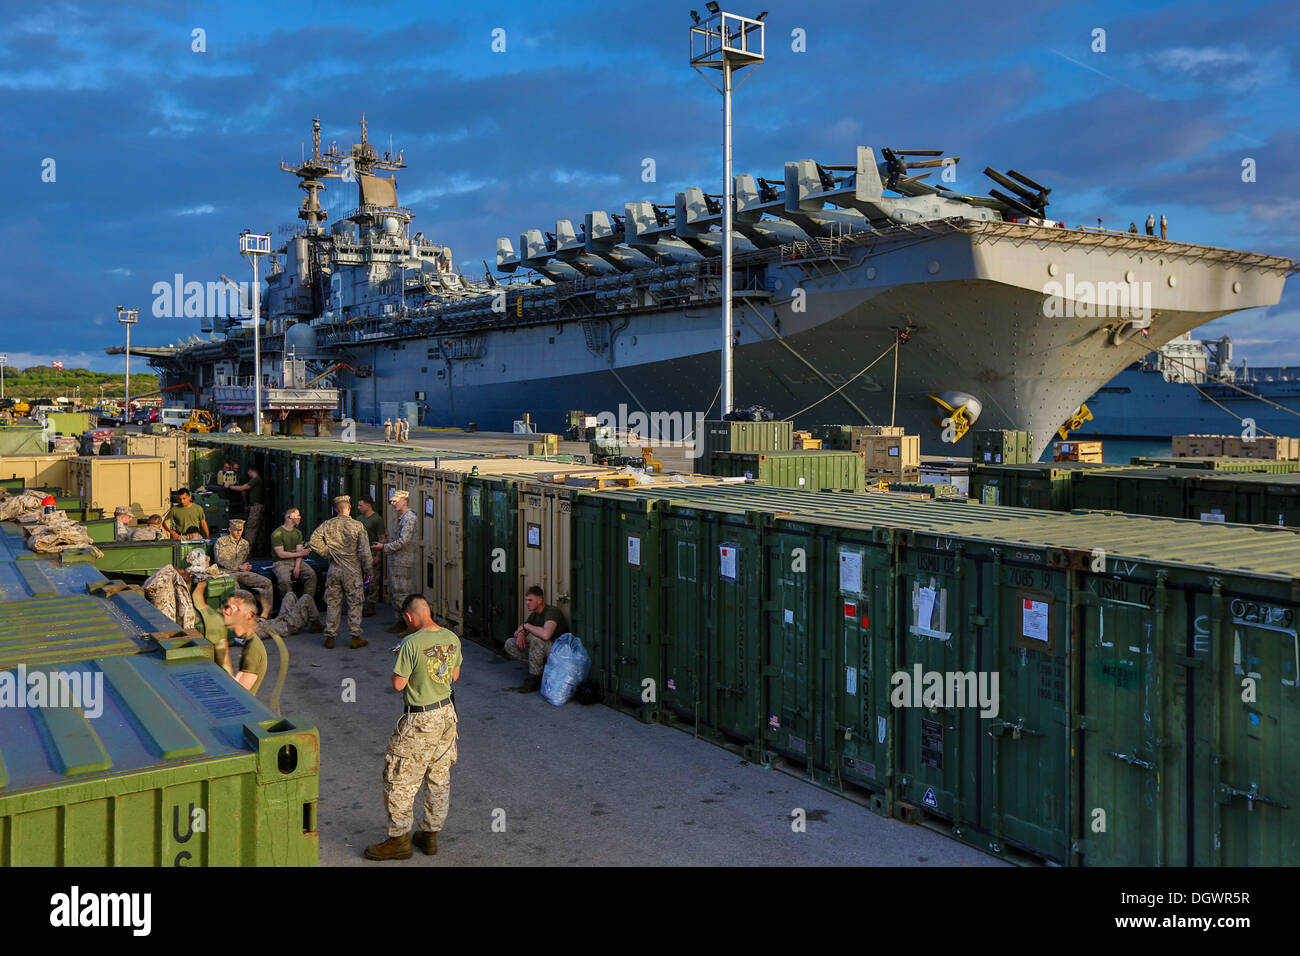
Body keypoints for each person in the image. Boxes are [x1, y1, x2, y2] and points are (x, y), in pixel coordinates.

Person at [364, 594, 461, 862]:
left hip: (421, 719)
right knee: (438, 775)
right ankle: (430, 835)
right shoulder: (451, 638)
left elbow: (398, 684)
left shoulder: (410, 643)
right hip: (447, 715)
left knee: (398, 777)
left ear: (409, 616)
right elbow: (454, 675)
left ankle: (398, 840)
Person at [308, 495, 373, 650]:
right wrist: (369, 570)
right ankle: (355, 636)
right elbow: (365, 551)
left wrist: (328, 553)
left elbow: (313, 541)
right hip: (352, 569)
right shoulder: (357, 526)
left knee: (333, 602)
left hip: (334, 568)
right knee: (355, 603)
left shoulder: (327, 524)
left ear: (336, 509)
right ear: (349, 508)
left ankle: (330, 636)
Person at [504, 585, 570, 694]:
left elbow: (546, 635)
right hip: (546, 653)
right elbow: (517, 632)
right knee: (510, 643)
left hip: (560, 655)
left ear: (539, 600)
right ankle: (540, 671)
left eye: (530, 600)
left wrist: (527, 626)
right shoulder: (534, 615)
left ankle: (534, 678)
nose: (527, 603)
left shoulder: (552, 612)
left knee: (537, 639)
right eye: (526, 600)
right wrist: (521, 635)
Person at [211, 519, 275, 616]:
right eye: (236, 530)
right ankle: (241, 619)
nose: (238, 532)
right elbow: (220, 560)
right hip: (226, 573)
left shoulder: (245, 544)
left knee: (267, 583)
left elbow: (244, 559)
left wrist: (247, 567)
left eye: (240, 530)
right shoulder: (221, 542)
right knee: (237, 590)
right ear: (230, 529)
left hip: (242, 572)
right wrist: (240, 566)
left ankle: (265, 616)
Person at [379, 490, 418, 634]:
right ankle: (401, 621)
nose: (392, 503)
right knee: (395, 592)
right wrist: (385, 542)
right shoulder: (401, 517)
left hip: (403, 561)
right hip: (396, 560)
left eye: (395, 501)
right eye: (391, 501)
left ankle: (410, 626)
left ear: (405, 500)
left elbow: (403, 541)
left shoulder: (409, 518)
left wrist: (384, 547)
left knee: (403, 593)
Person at [216, 589, 268, 694]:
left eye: (232, 609)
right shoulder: (247, 641)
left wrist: (222, 655)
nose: (225, 612)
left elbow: (239, 694)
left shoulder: (253, 649)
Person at [271, 507, 318, 603]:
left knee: (311, 575)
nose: (300, 517)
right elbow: (281, 554)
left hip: (296, 561)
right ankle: (289, 606)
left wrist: (297, 567)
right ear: (290, 517)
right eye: (298, 515)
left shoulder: (298, 533)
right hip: (281, 563)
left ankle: (306, 604)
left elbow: (299, 551)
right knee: (285, 580)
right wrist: (301, 553)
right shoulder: (277, 534)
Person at [356, 496, 386, 615]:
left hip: (372, 550)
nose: (358, 508)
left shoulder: (377, 519)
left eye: (361, 505)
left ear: (368, 505)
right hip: (360, 551)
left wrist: (378, 555)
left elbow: (382, 538)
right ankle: (359, 602)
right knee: (360, 577)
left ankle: (371, 603)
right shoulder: (359, 519)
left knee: (372, 578)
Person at [228, 466, 265, 554]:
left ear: (250, 471)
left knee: (250, 529)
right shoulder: (257, 480)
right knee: (255, 529)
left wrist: (229, 486)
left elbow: (243, 487)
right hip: (254, 506)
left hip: (256, 507)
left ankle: (246, 551)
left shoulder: (256, 479)